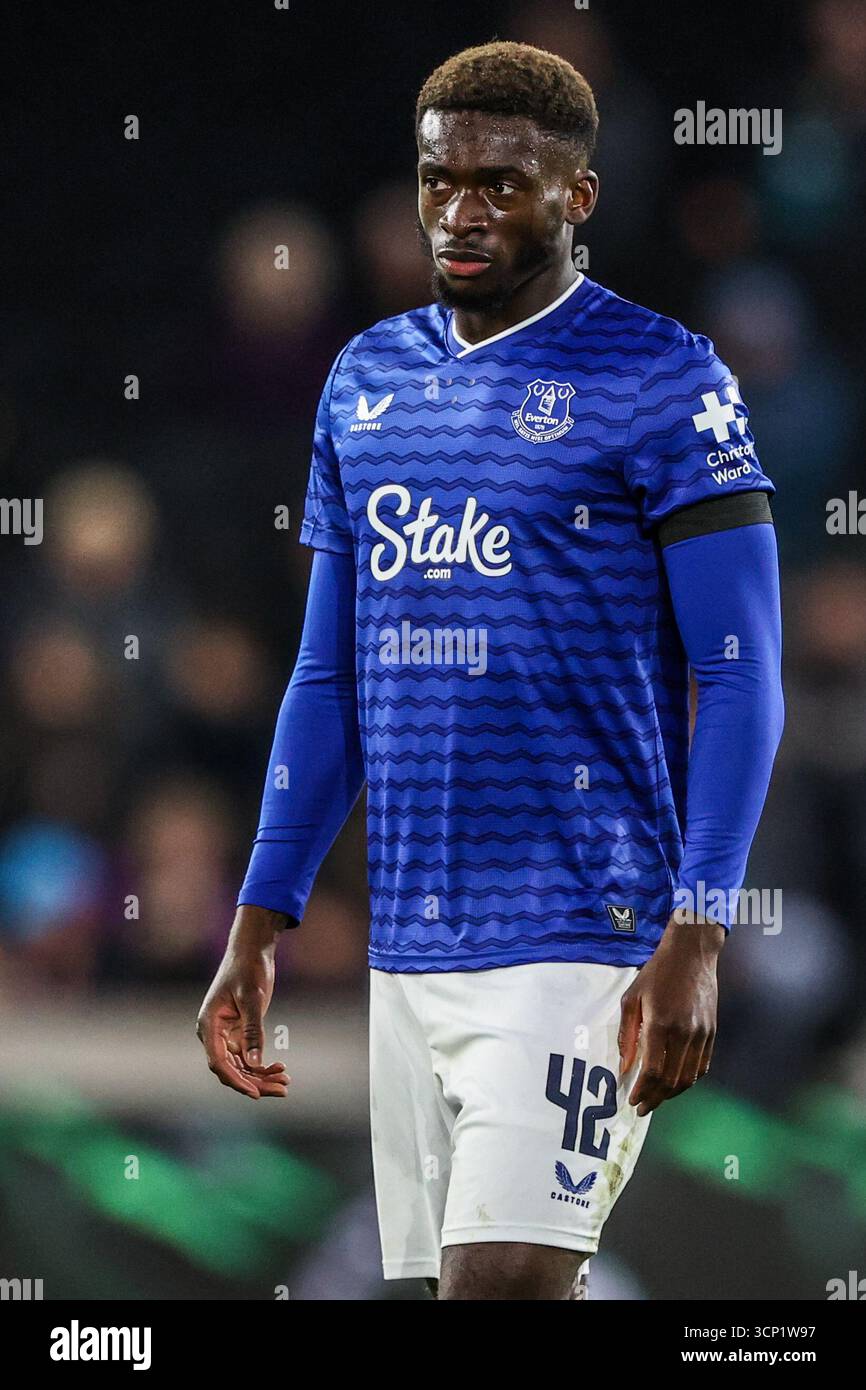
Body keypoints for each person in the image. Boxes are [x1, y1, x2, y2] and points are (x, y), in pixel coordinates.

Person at [197, 41, 784, 1301]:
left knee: (501, 1286)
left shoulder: (662, 377)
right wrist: (258, 919)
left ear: (576, 195)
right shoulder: (366, 381)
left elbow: (742, 676)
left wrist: (697, 929)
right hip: (410, 942)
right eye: (439, 180)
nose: (460, 211)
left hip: (583, 931)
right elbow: (327, 678)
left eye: (499, 184)